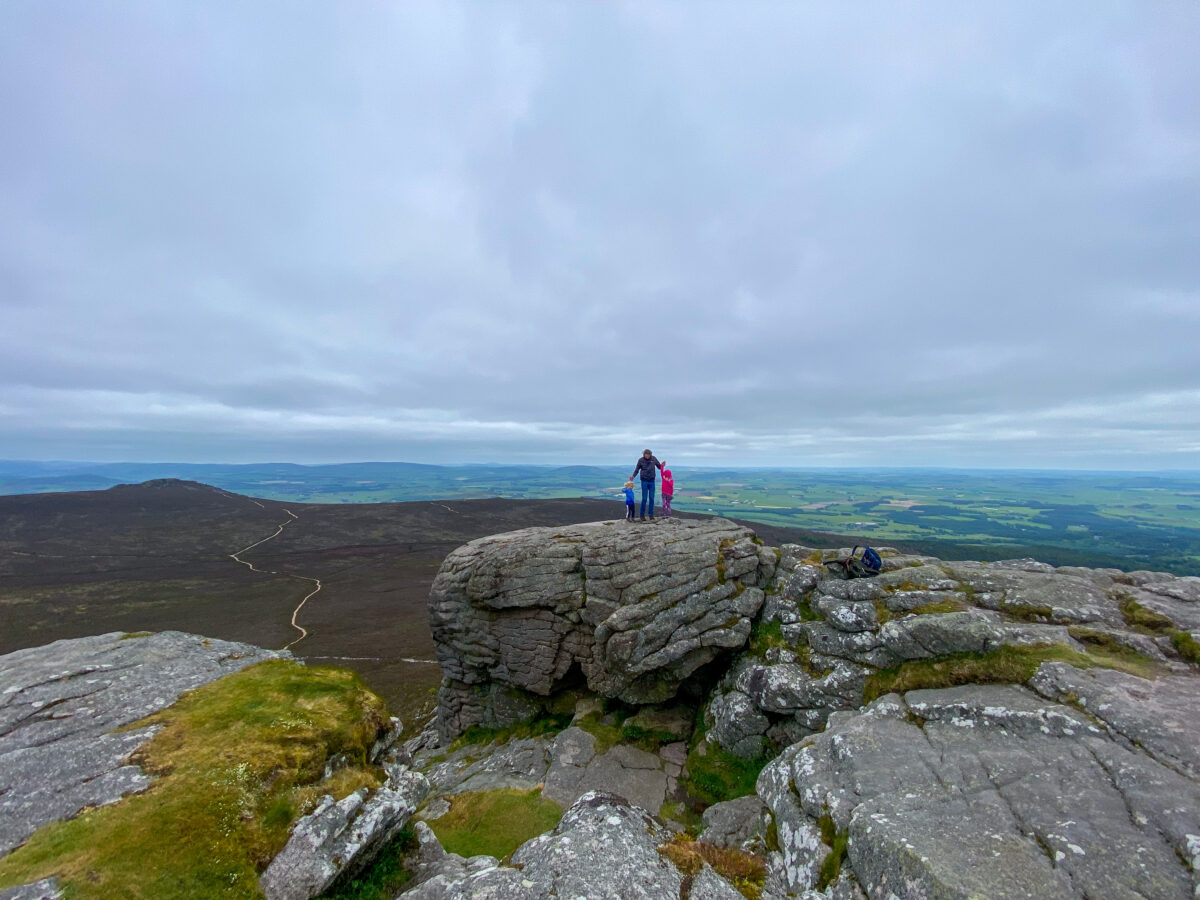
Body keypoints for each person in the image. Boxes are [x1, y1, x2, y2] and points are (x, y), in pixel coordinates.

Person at [630, 449, 663, 521]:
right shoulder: (640, 460)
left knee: (652, 498)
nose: (647, 456)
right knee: (644, 499)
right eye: (646, 454)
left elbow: (659, 467)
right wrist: (633, 476)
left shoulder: (654, 459)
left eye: (648, 454)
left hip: (652, 481)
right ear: (644, 454)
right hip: (644, 481)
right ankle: (642, 515)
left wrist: (662, 465)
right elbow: (637, 469)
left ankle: (651, 515)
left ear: (650, 454)